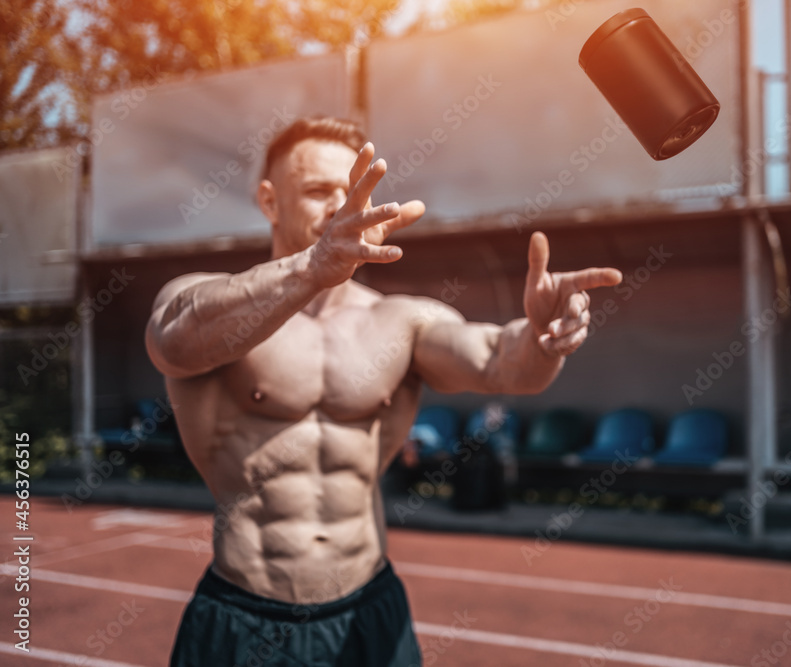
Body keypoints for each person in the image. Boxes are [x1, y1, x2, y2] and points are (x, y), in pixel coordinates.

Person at [146, 116, 623, 666]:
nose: (339, 208)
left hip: (370, 610)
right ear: (270, 201)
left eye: (349, 193)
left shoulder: (400, 321)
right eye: (319, 191)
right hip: (245, 614)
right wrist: (312, 268)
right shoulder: (203, 298)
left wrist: (543, 339)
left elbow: (501, 363)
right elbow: (175, 343)